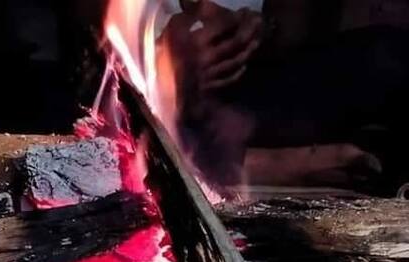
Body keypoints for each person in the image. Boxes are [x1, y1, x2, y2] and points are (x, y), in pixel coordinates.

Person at [160, 0, 409, 190]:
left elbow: (288, 33)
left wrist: (257, 31)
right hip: (167, 92)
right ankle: (244, 163)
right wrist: (166, 59)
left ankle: (233, 159)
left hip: (252, 87)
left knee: (389, 57)